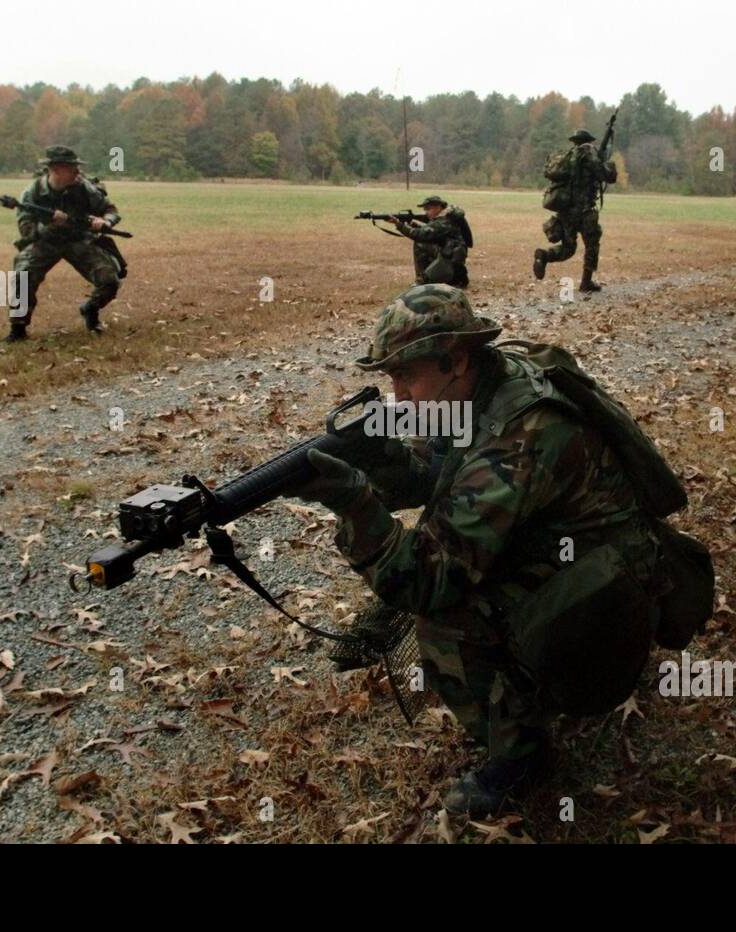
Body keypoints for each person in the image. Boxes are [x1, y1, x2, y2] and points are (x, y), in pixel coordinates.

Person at [290, 284, 701, 815]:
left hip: (609, 582)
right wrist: (382, 457)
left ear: (456, 359)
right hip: (584, 551)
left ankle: (522, 758)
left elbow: (425, 580)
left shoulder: (519, 435)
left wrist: (354, 503)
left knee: (446, 617)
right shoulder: (484, 381)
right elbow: (435, 473)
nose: (397, 396)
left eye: (406, 375)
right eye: (389, 378)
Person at [5, 145, 124, 342]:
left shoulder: (84, 188)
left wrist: (105, 221)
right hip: (46, 242)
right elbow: (26, 229)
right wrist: (50, 225)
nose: (78, 172)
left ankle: (91, 310)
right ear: (56, 170)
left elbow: (111, 210)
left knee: (109, 279)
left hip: (77, 240)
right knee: (22, 276)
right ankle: (18, 329)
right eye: (73, 168)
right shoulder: (32, 193)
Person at [533, 129, 617, 292]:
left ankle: (544, 256)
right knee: (592, 244)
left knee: (568, 248)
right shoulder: (588, 152)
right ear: (588, 140)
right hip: (584, 210)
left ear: (575, 141)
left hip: (566, 209)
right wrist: (610, 166)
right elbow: (605, 175)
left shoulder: (570, 155)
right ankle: (586, 282)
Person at [388, 196, 471, 287]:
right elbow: (430, 234)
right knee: (422, 243)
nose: (426, 212)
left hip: (451, 256)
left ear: (438, 207)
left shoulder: (443, 221)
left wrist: (398, 224)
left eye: (428, 209)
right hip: (450, 252)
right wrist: (413, 224)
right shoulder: (447, 217)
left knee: (420, 243)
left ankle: (424, 279)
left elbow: (420, 235)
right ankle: (450, 277)